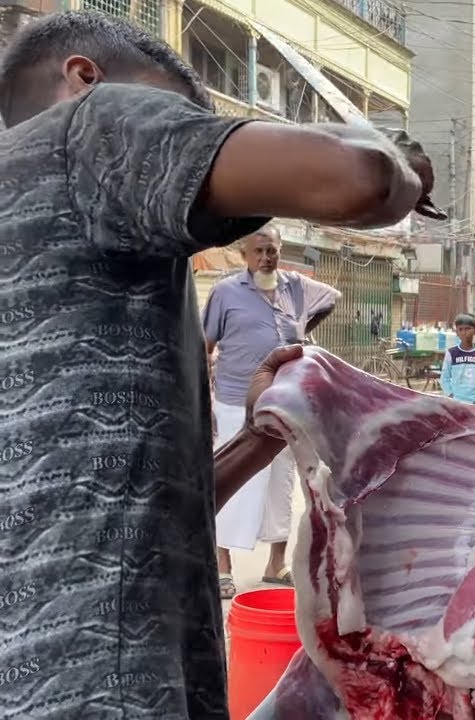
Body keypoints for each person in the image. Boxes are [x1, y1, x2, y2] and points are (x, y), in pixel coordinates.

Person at [0, 11, 437, 717]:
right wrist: (399, 156)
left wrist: (258, 437)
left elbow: (135, 514)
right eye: (173, 117)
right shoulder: (89, 128)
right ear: (84, 81)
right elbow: (361, 178)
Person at [203, 226, 341, 598]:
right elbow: (205, 346)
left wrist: (302, 328)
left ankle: (275, 564)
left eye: (272, 251)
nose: (266, 258)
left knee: (281, 485)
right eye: (258, 251)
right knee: (236, 480)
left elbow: (332, 297)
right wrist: (205, 400)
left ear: (281, 251)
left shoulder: (295, 286)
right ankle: (223, 567)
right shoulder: (225, 292)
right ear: (244, 255)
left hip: (284, 401)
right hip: (235, 400)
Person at [441, 312, 475, 405]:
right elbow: (444, 378)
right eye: (460, 329)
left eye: (468, 329)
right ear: (456, 332)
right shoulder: (451, 353)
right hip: (456, 402)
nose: (464, 332)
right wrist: (451, 396)